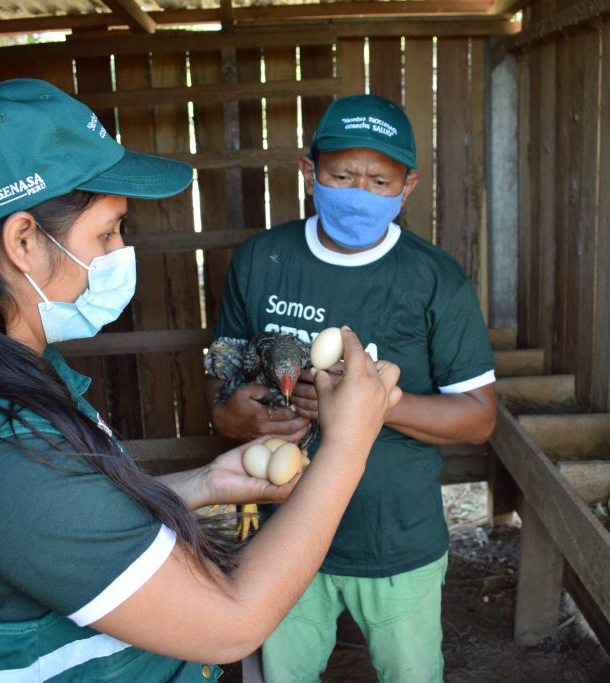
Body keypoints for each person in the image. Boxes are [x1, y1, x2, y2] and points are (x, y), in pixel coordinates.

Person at [0, 78, 402, 682]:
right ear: (24, 242)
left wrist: (198, 484)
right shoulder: (1, 459)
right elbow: (229, 626)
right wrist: (347, 447)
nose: (120, 250)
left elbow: (54, 533)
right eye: (108, 232)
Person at [205, 94, 498, 682]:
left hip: (396, 540)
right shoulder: (263, 259)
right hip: (283, 536)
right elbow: (223, 396)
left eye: (379, 180)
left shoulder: (433, 278)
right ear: (309, 171)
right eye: (342, 175)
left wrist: (375, 406)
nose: (359, 191)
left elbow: (477, 417)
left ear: (407, 185)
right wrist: (244, 417)